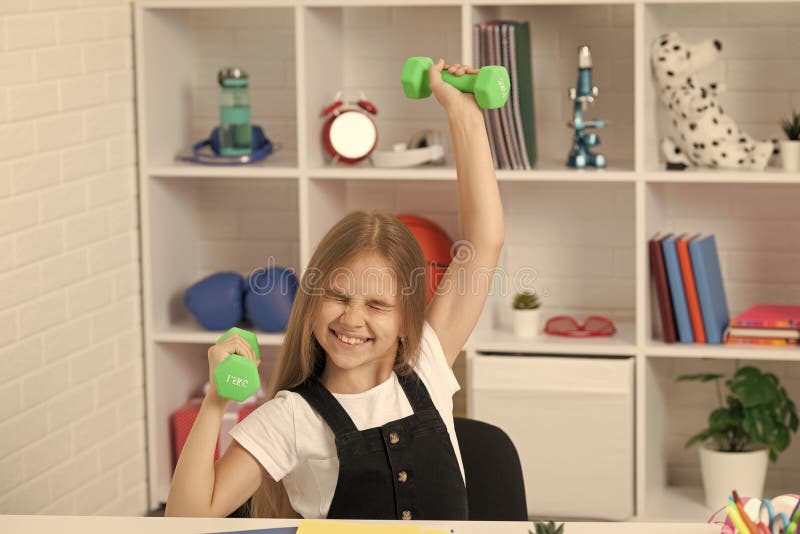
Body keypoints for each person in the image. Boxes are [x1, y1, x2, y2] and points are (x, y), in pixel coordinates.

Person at [165, 58, 505, 520]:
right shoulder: (290, 417)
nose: (352, 318)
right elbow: (186, 521)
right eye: (339, 297)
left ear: (406, 321)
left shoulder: (428, 363)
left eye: (377, 305)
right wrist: (214, 403)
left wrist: (463, 113)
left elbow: (484, 241)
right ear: (311, 300)